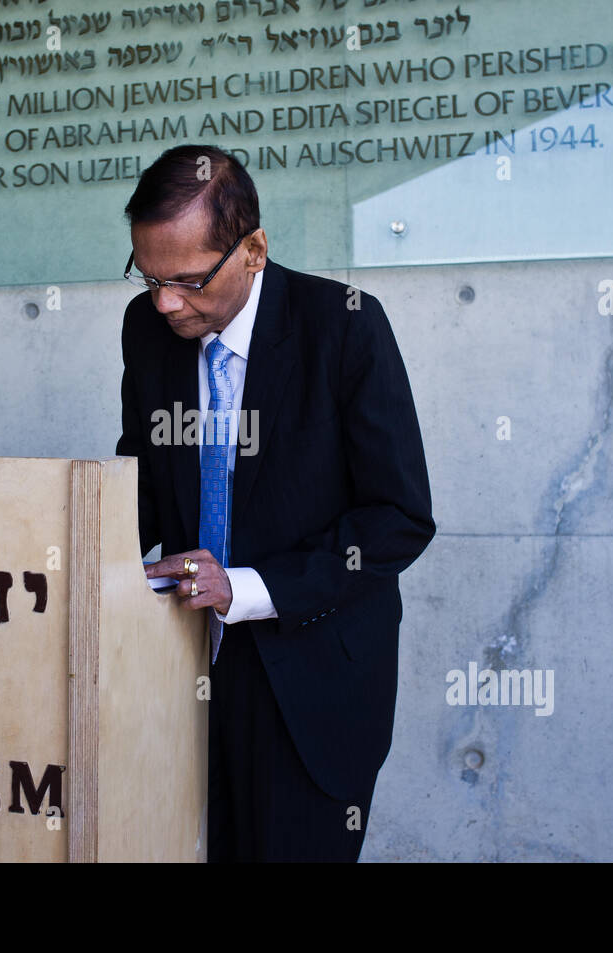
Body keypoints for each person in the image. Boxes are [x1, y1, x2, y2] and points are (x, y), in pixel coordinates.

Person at [115, 144, 435, 862]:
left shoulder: (346, 326)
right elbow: (144, 473)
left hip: (312, 680)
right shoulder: (148, 328)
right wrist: (74, 553)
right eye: (149, 276)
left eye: (189, 280)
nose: (166, 301)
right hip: (180, 666)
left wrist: (250, 588)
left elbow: (399, 518)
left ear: (253, 250)